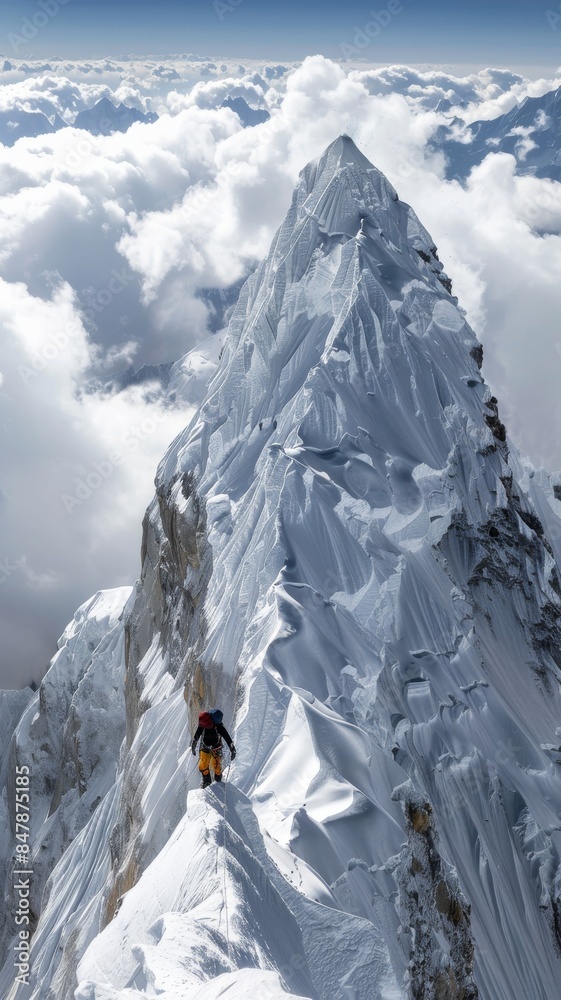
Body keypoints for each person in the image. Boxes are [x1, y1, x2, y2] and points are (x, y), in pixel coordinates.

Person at [191, 709, 236, 788]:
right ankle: (212, 782)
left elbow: (197, 734)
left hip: (206, 746)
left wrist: (194, 745)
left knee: (206, 766)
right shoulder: (217, 726)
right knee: (214, 766)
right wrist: (232, 749)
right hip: (216, 747)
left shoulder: (205, 725)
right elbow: (226, 737)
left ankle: (208, 782)